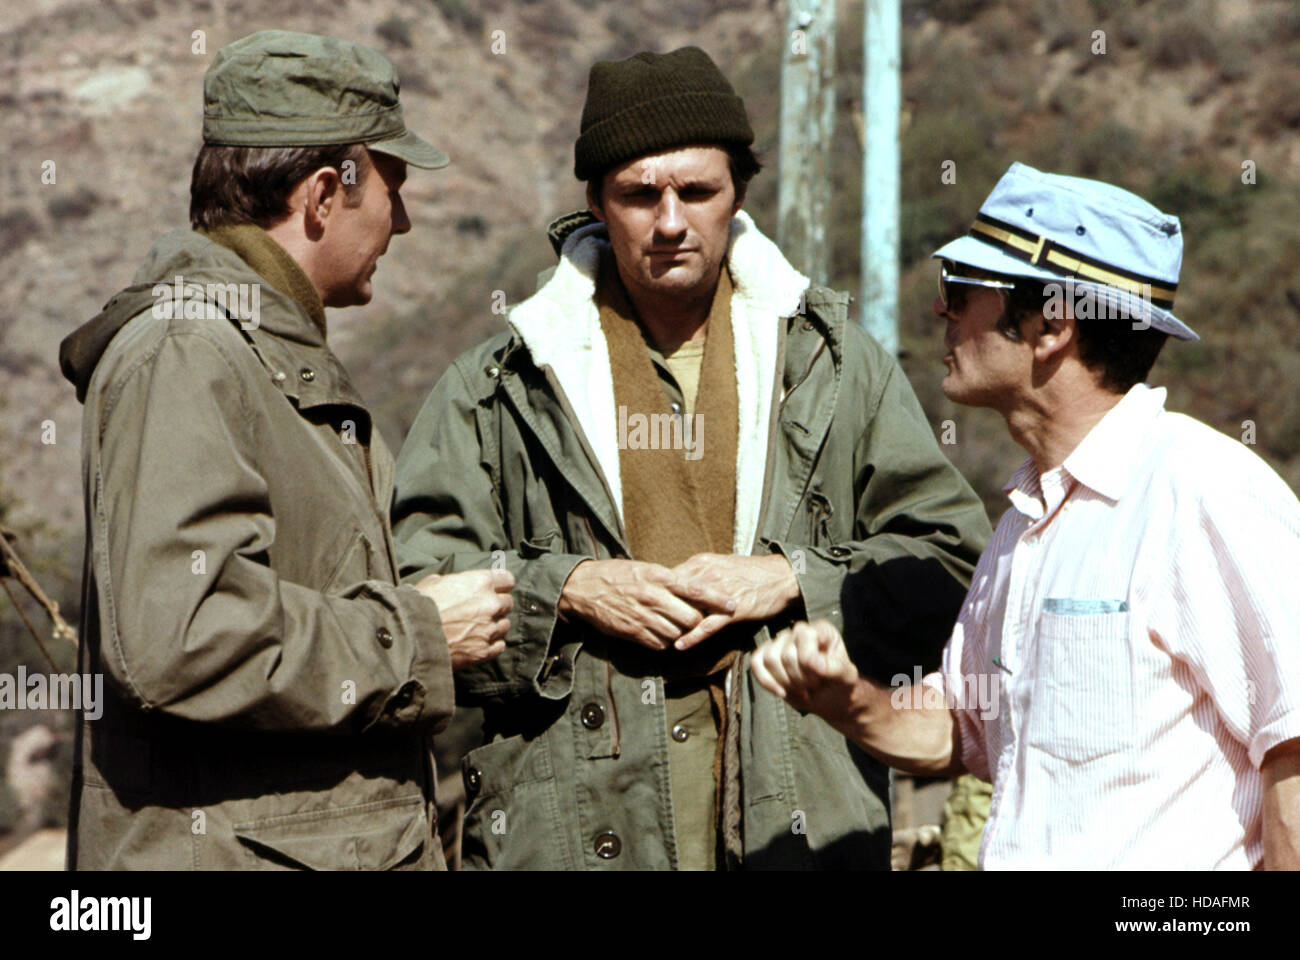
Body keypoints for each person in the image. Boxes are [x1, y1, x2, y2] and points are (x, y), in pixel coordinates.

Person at [392, 46, 991, 870]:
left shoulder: (835, 364)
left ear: (737, 196)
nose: (670, 221)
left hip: (797, 827)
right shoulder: (501, 384)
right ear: (599, 202)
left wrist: (792, 576)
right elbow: (418, 601)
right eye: (640, 195)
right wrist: (566, 589)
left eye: (696, 192)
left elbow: (953, 564)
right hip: (575, 831)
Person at [752, 162, 1300, 869]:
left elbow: (1292, 742)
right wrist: (847, 700)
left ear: (1050, 325)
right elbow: (963, 723)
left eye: (962, 290)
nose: (942, 311)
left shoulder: (1204, 491)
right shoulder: (1024, 520)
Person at [57, 29, 513, 870]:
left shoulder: (257, 352)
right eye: (393, 186)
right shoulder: (186, 352)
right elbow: (179, 636)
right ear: (321, 195)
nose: (402, 221)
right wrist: (415, 636)